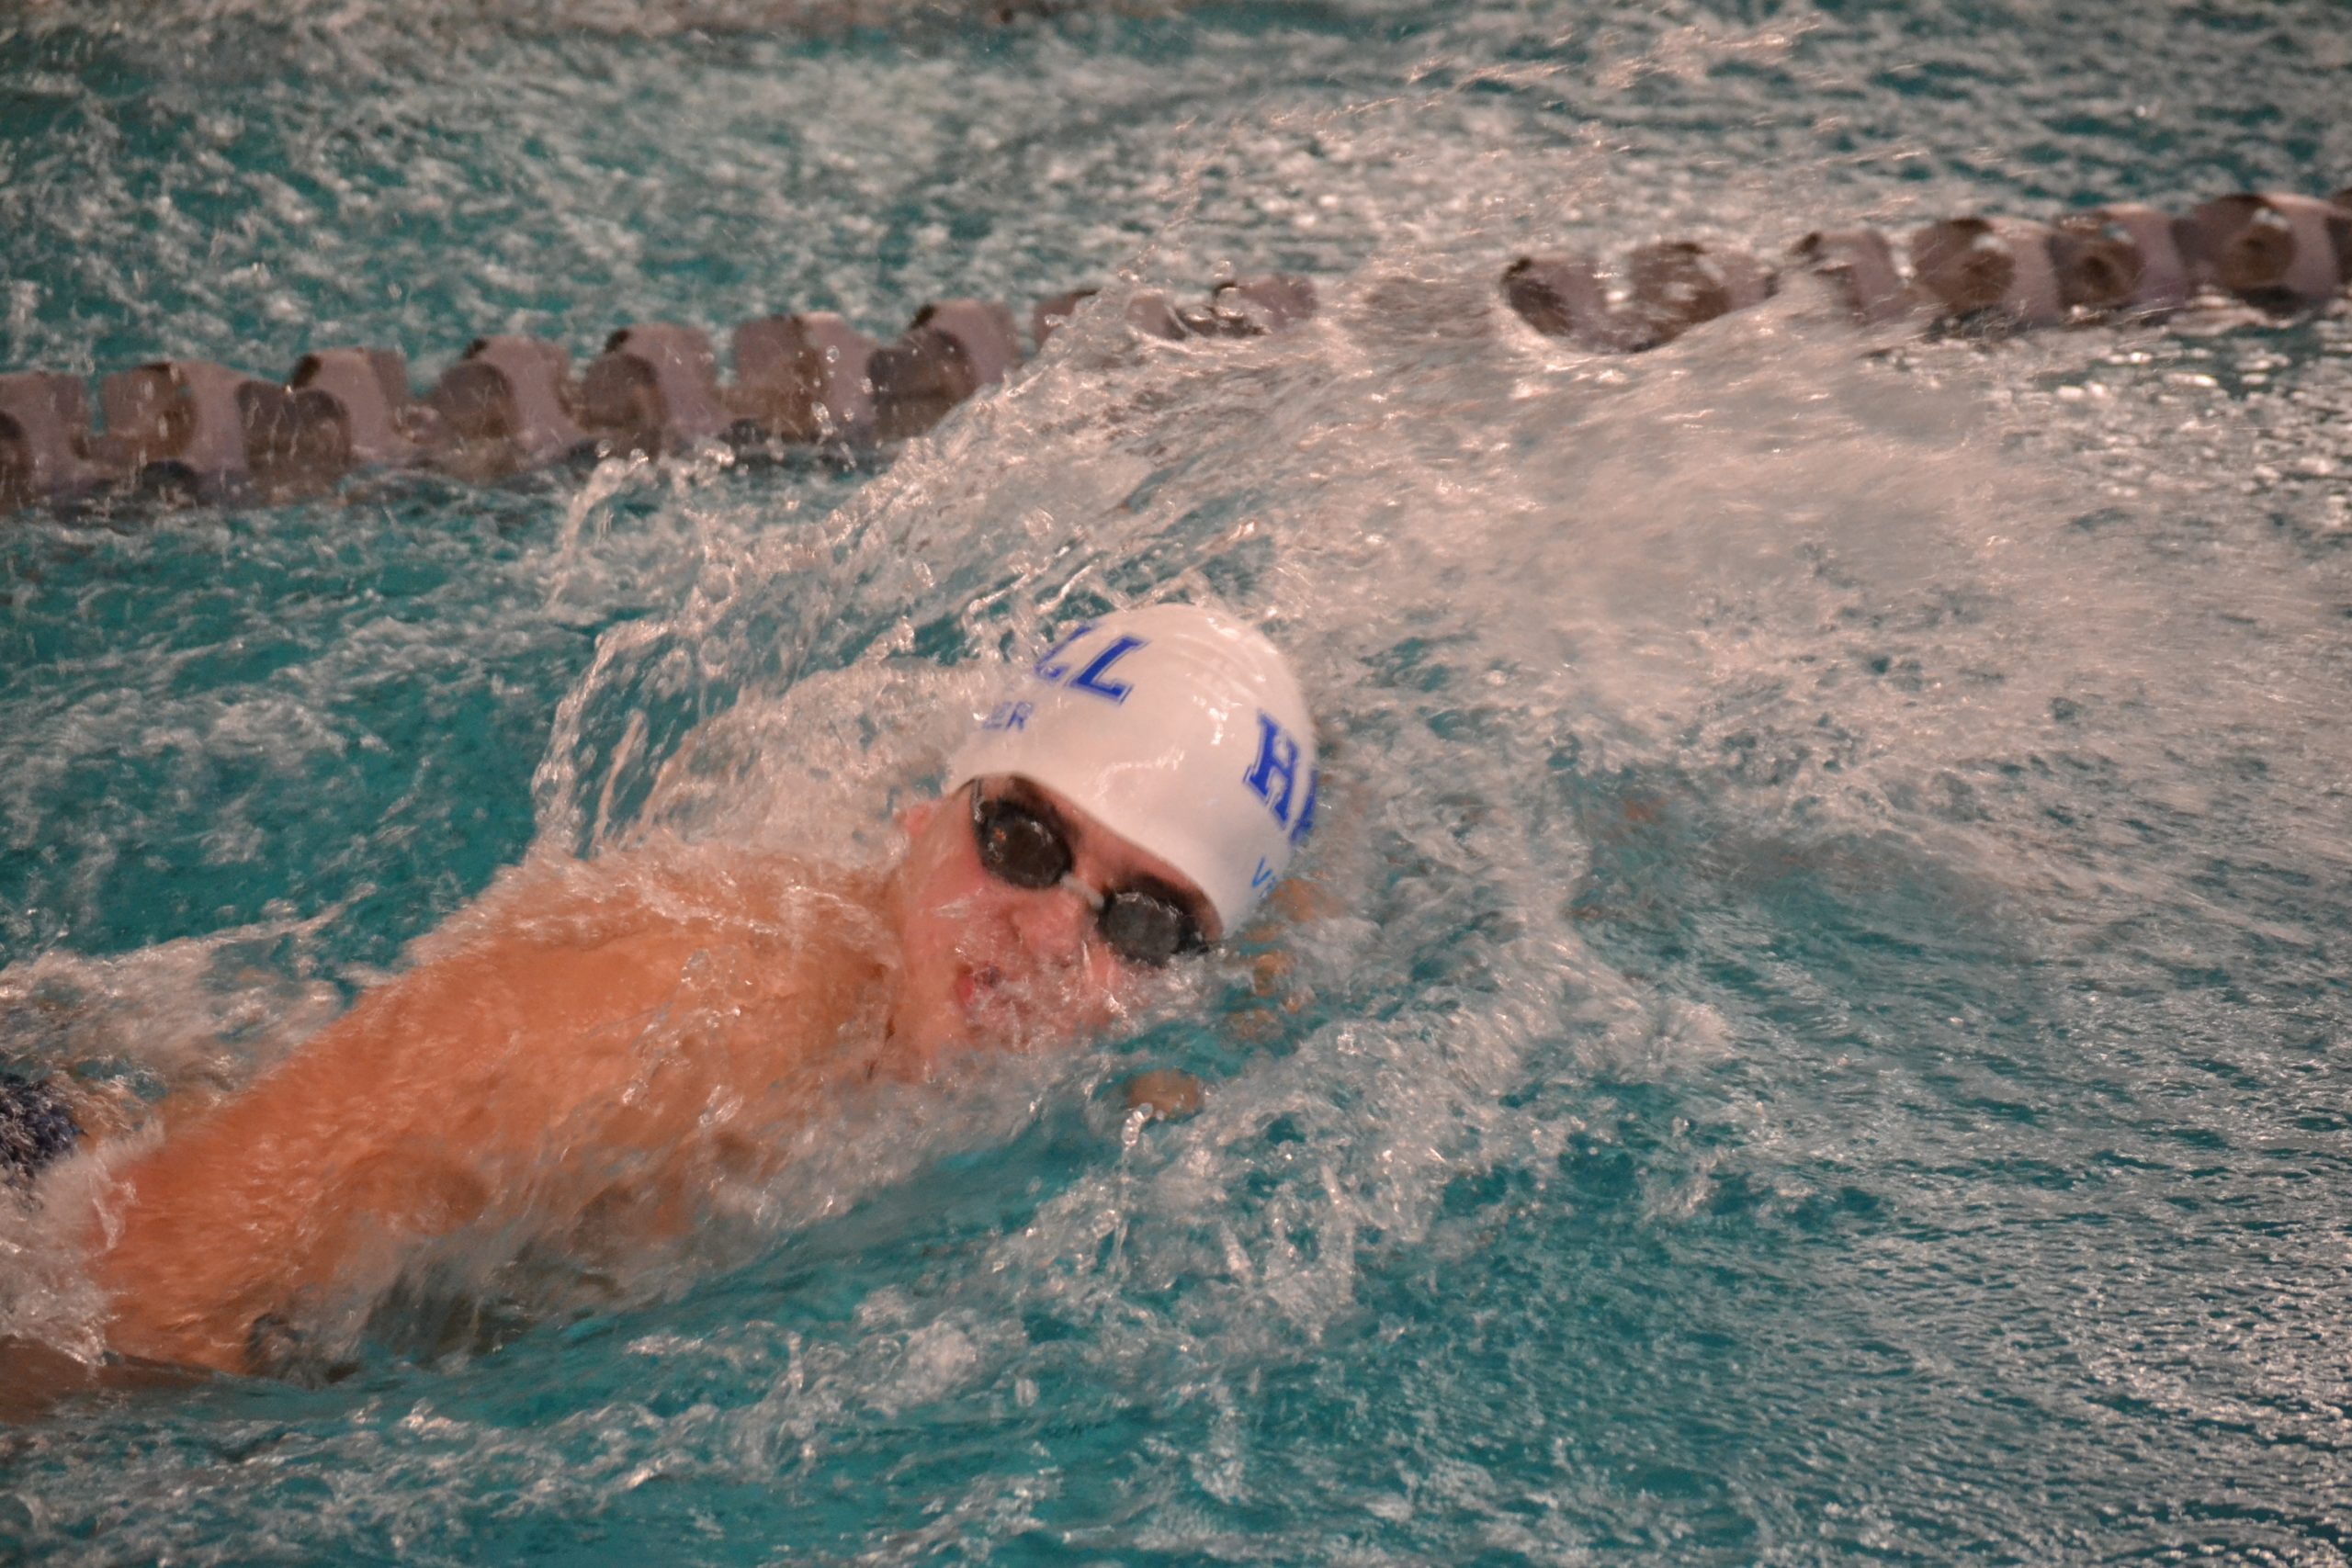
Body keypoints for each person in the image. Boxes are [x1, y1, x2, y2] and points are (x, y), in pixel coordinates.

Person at [42, 601, 1319, 1379]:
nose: (1046, 935)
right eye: (1025, 840)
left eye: (1142, 924)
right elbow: (138, 1272)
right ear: (922, 817)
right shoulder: (705, 1014)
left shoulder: (1012, 1065)